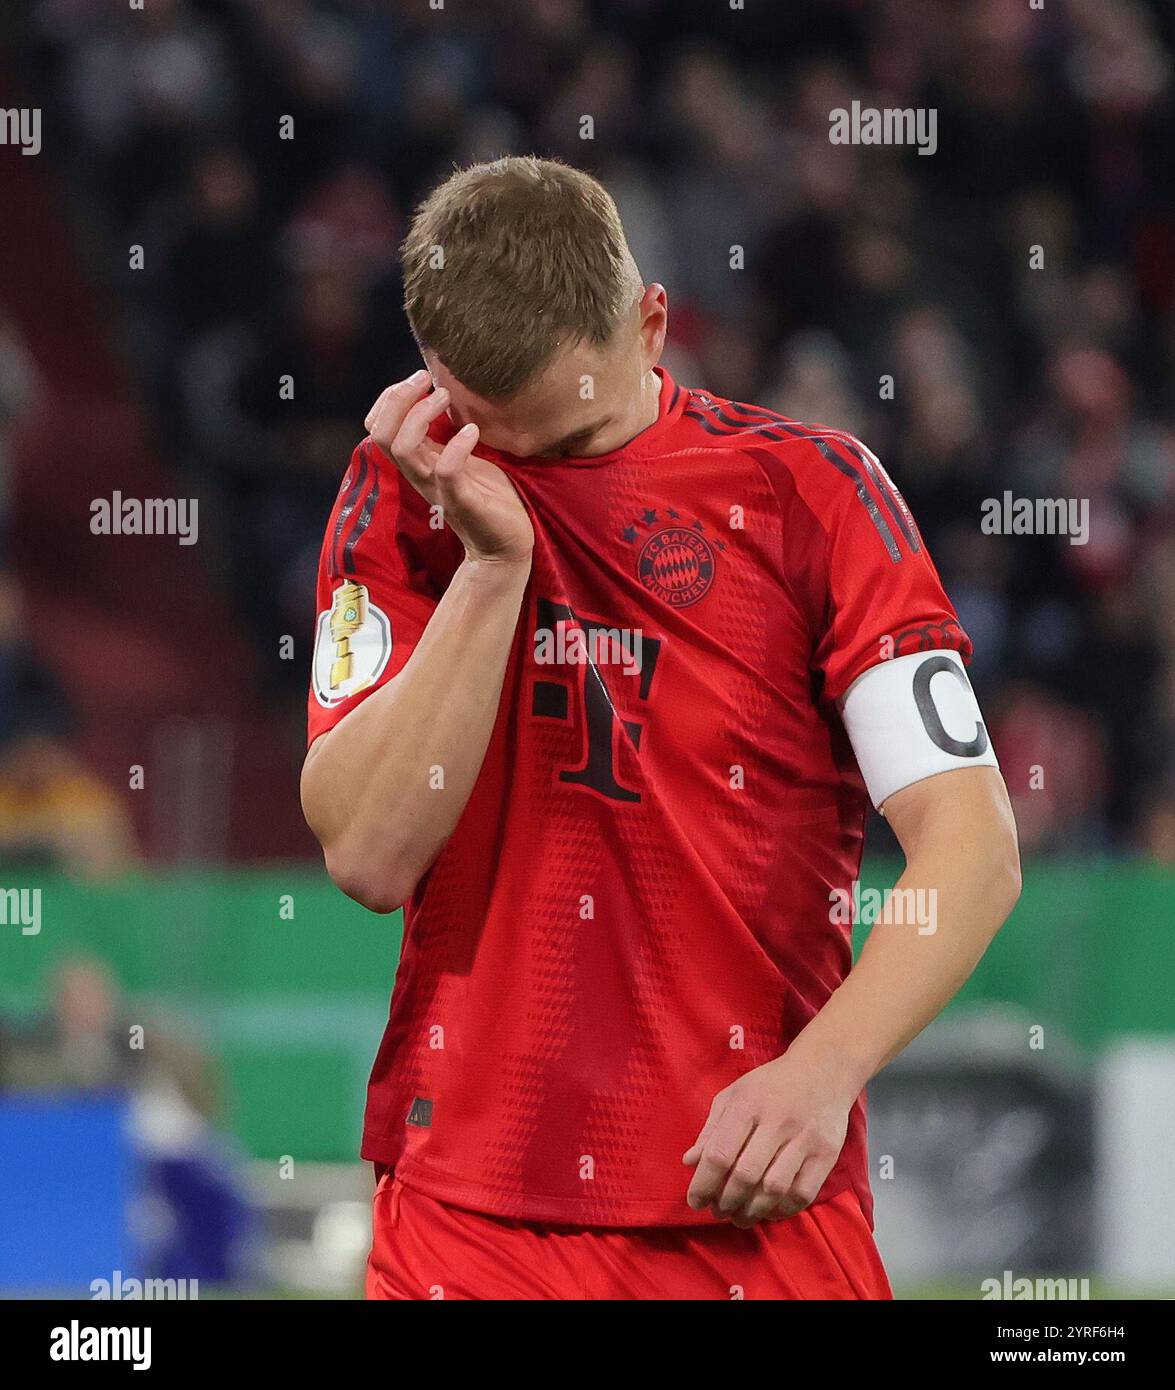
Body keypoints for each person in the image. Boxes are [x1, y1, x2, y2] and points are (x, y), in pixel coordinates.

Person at [300, 156, 1022, 1301]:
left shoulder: (813, 493)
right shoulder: (405, 495)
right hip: (464, 1218)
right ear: (435, 377)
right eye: (507, 441)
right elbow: (368, 854)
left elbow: (970, 845)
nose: (537, 471)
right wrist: (492, 571)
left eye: (572, 439)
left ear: (652, 325)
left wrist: (823, 1069)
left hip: (747, 1200)